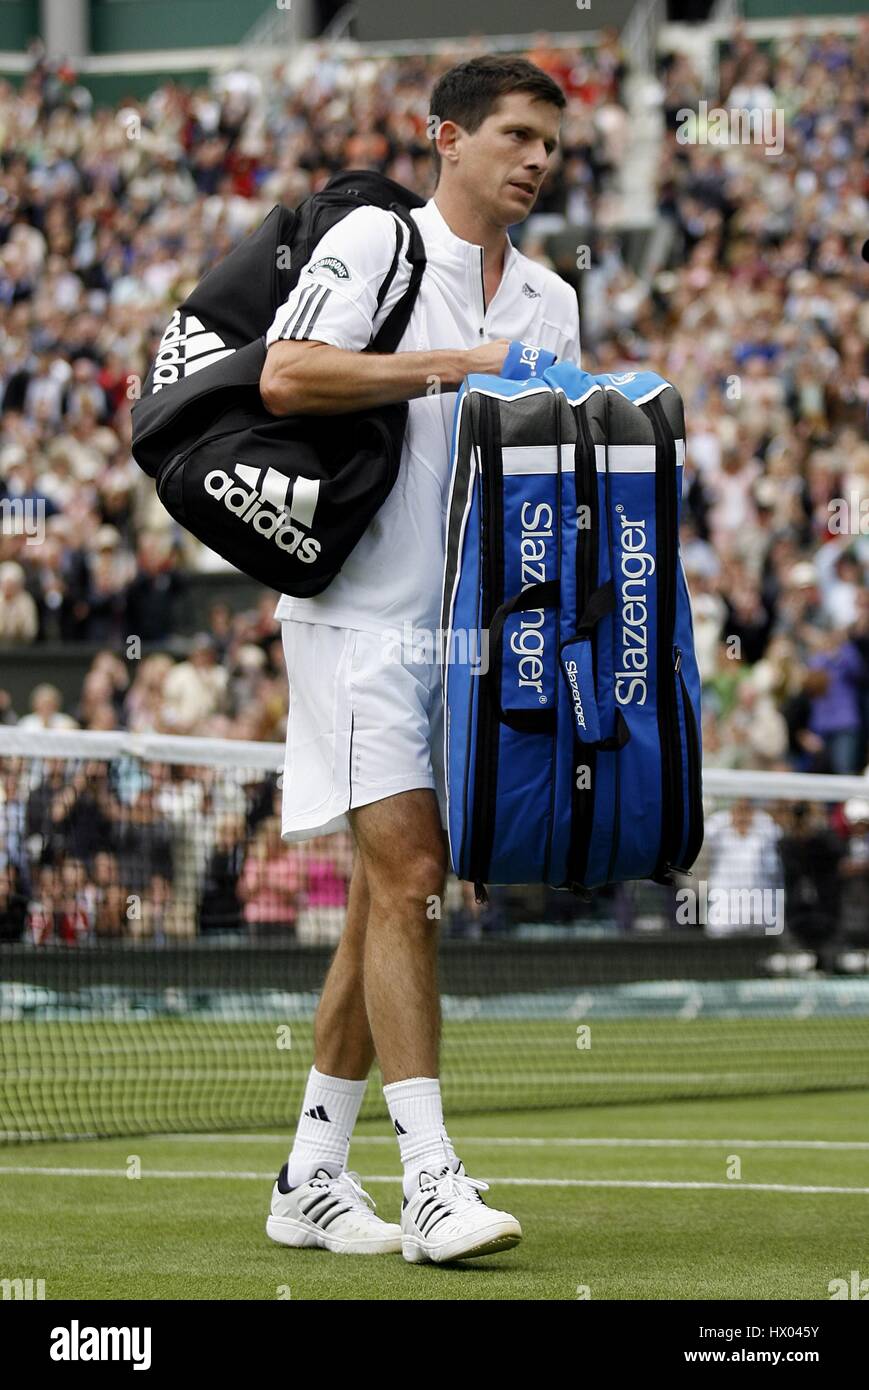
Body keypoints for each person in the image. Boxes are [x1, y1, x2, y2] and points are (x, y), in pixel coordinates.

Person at [259, 56, 579, 1263]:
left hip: (471, 635)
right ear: (443, 137)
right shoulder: (374, 245)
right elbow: (287, 376)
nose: (534, 159)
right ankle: (433, 1179)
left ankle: (311, 1173)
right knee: (408, 876)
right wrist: (457, 364)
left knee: (393, 898)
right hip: (352, 614)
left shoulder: (550, 298)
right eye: (512, 134)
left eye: (547, 141)